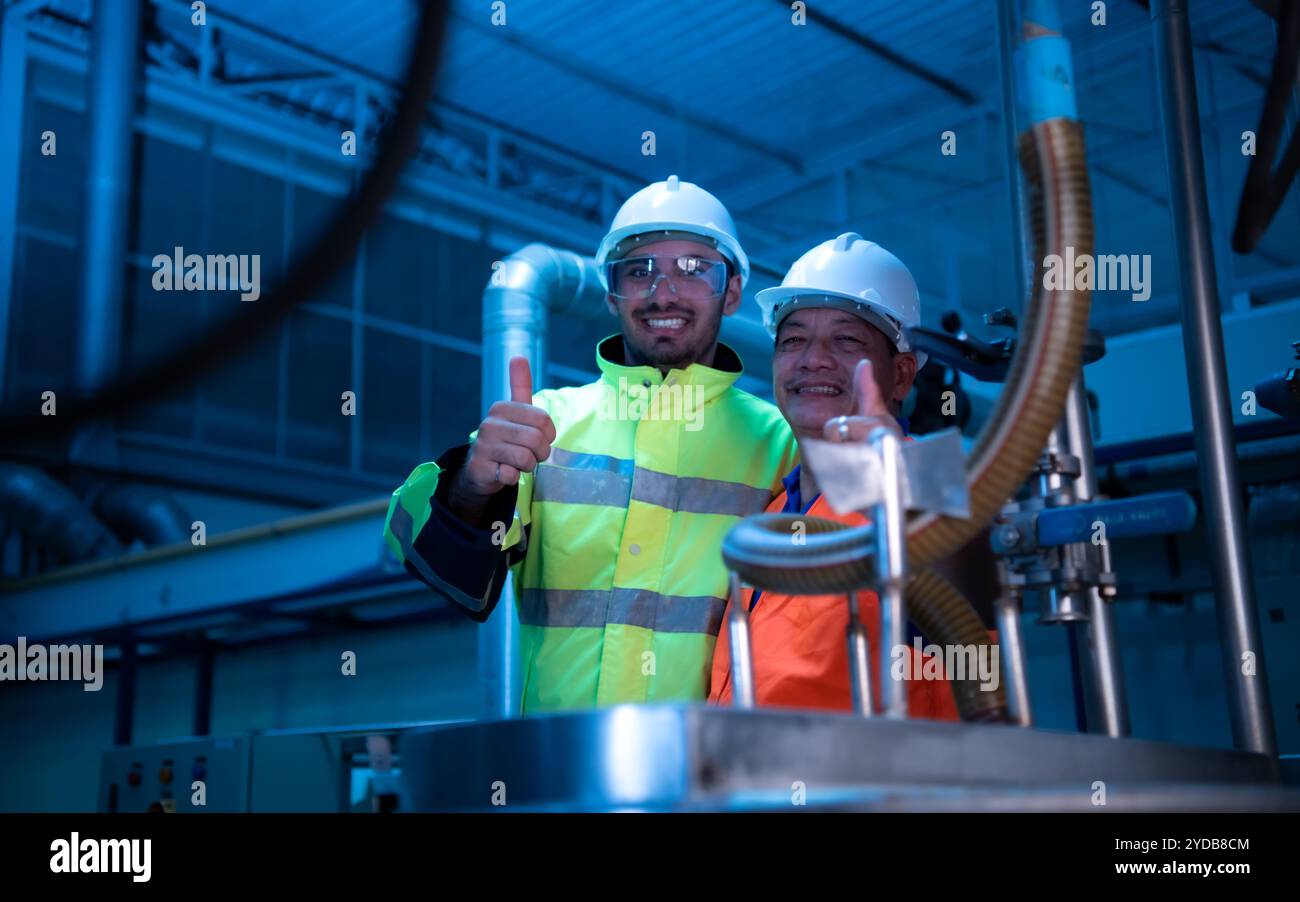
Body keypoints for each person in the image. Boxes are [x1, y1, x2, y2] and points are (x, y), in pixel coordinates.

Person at [383, 176, 798, 713]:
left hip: (707, 775)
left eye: (694, 271)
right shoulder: (545, 421)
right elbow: (422, 557)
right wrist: (469, 487)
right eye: (639, 270)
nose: (663, 292)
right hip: (563, 767)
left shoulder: (783, 444)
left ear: (733, 292)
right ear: (610, 292)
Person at [709, 233, 959, 719]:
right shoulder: (775, 512)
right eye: (794, 339)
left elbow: (973, 670)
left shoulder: (931, 488)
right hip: (748, 785)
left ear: (903, 375)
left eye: (846, 339)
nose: (812, 359)